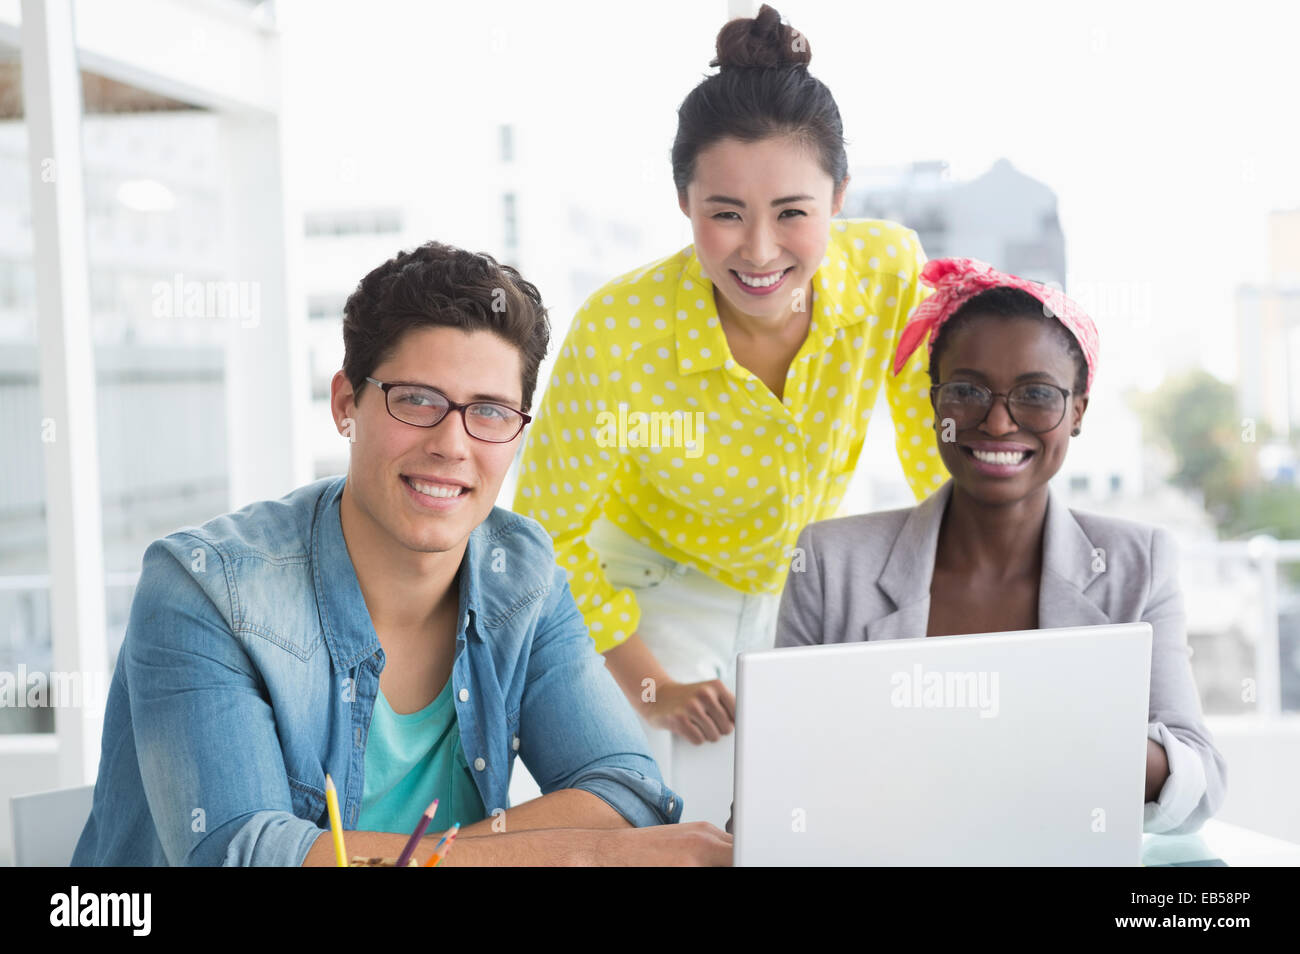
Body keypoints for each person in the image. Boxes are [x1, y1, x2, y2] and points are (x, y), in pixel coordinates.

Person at [72, 242, 732, 866]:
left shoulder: (521, 573)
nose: (453, 444)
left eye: (492, 412)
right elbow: (242, 852)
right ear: (344, 404)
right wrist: (581, 855)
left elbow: (628, 792)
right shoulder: (205, 589)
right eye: (416, 400)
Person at [512, 4, 947, 827]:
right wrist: (650, 683)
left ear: (839, 197)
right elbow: (545, 536)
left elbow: (934, 457)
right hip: (650, 591)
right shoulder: (619, 331)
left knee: (833, 813)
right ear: (684, 202)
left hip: (806, 586)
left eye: (792, 212)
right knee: (685, 815)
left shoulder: (890, 270)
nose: (757, 250)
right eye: (725, 213)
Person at [776, 257, 1226, 833]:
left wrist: (1070, 737)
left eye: (1036, 395)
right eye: (967, 390)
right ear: (935, 404)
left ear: (1078, 412)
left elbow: (1201, 783)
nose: (996, 423)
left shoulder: (1138, 563)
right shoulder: (830, 561)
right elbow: (784, 768)